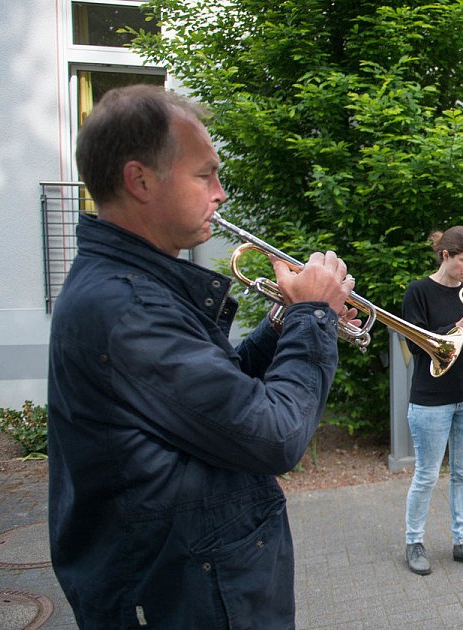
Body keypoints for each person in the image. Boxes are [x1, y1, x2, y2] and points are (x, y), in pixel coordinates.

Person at [47, 85, 354, 626]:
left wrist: (286, 321)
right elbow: (275, 434)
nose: (221, 194)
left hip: (195, 583)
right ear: (140, 181)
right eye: (204, 176)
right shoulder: (128, 309)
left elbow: (218, 395)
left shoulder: (138, 288)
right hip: (185, 598)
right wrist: (313, 318)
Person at [401, 226, 463, 576]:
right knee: (427, 475)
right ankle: (414, 542)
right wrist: (456, 326)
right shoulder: (418, 292)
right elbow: (416, 346)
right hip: (431, 398)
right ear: (446, 255)